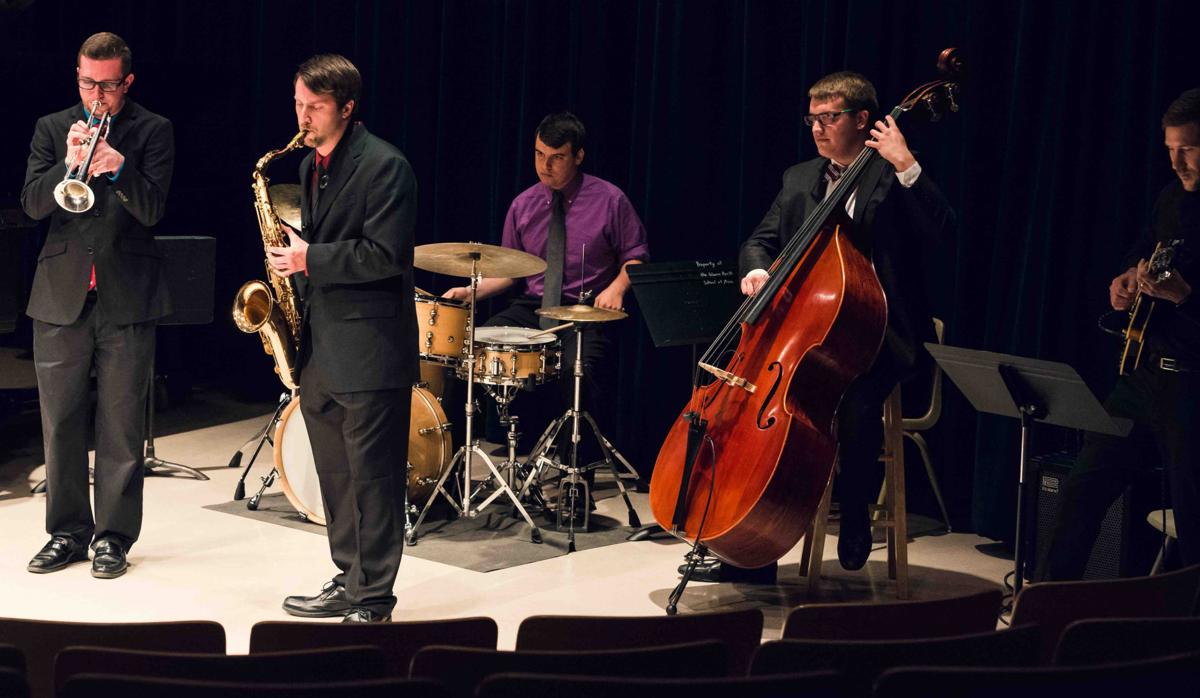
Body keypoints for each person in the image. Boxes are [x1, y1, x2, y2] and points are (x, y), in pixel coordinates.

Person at [687, 71, 955, 583]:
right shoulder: (798, 178)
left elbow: (945, 232)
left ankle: (853, 514)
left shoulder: (892, 175)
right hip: (803, 333)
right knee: (748, 399)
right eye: (811, 118)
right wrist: (756, 269)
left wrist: (906, 164)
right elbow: (759, 240)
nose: (817, 128)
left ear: (862, 120)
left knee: (851, 401)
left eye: (829, 118)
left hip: (879, 336)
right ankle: (752, 548)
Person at [268, 54, 418, 623]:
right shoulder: (309, 166)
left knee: (373, 481)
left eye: (316, 106)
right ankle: (347, 576)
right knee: (335, 476)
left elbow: (385, 255)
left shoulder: (386, 167)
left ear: (347, 108)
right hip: (322, 348)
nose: (303, 116)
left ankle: (374, 596)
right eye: (299, 103)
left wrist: (310, 257)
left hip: (371, 350)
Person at [442, 111, 649, 517]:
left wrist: (617, 287)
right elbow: (509, 273)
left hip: (584, 309)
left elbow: (636, 257)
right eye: (539, 155)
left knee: (581, 375)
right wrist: (471, 290)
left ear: (578, 156)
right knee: (462, 354)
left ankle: (577, 478)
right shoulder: (523, 204)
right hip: (533, 306)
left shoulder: (610, 199)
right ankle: (449, 475)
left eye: (556, 157)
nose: (545, 166)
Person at [21, 32, 174, 579]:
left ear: (126, 82)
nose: (96, 96)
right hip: (60, 294)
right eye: (88, 83)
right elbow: (34, 204)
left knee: (120, 426)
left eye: (107, 86)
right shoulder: (52, 127)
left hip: (126, 296)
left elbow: (153, 210)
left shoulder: (153, 131)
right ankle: (66, 532)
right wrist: (68, 163)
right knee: (59, 423)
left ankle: (112, 538)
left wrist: (117, 167)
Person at [1037, 88, 1200, 580]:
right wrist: (1126, 279)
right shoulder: (1171, 199)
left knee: (1194, 522)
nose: (1176, 162)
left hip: (1193, 385)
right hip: (1143, 376)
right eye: (1169, 149)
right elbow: (1143, 251)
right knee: (1082, 489)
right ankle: (1043, 609)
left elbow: (1182, 293)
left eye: (1189, 149)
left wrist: (1185, 298)